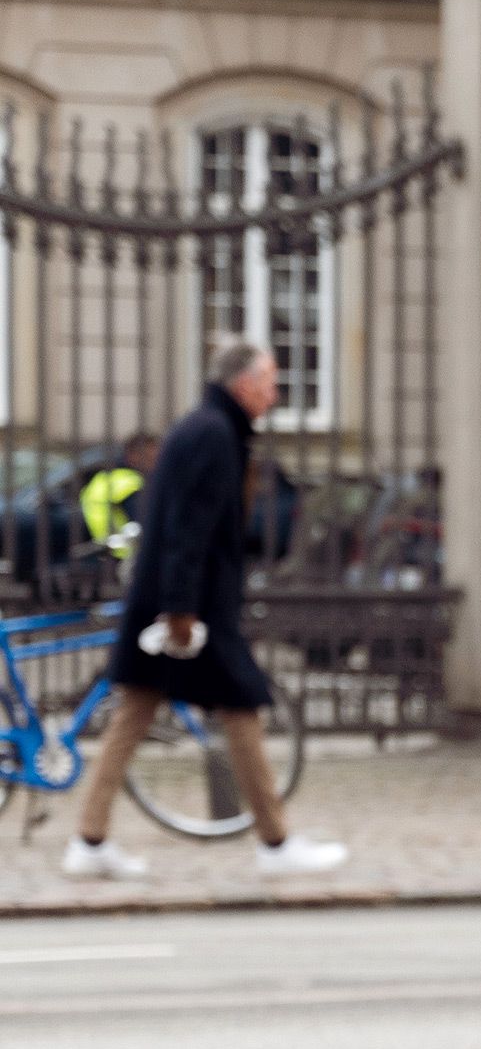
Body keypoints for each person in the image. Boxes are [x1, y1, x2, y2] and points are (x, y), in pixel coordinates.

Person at [62, 339, 346, 883]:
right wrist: (180, 610)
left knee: (136, 716)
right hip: (190, 609)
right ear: (242, 383)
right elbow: (187, 531)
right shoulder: (214, 435)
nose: (275, 393)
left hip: (178, 601)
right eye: (268, 382)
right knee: (240, 707)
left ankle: (90, 838)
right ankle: (275, 842)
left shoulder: (205, 429)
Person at [78, 432, 158, 561]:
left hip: (98, 553)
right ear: (133, 456)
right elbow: (144, 523)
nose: (155, 463)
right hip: (124, 558)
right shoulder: (131, 483)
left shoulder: (105, 477)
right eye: (150, 458)